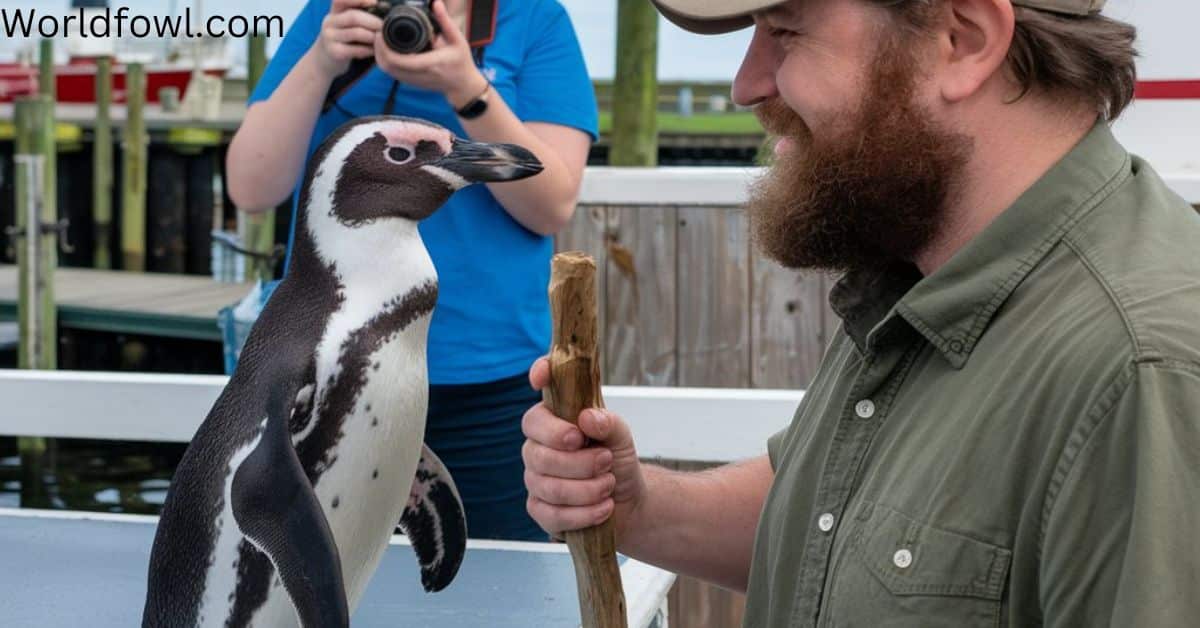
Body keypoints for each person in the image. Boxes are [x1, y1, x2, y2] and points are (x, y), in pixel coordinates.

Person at [522, 0, 1200, 625]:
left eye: (785, 31)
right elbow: (849, 524)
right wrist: (636, 505)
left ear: (961, 40)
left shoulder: (1140, 371)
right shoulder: (930, 264)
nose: (747, 84)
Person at [226, 0, 597, 541]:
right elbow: (250, 188)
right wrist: (322, 63)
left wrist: (468, 90)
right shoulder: (331, 14)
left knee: (500, 587)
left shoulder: (533, 17)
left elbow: (551, 205)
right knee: (310, 583)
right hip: (324, 372)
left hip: (487, 387)